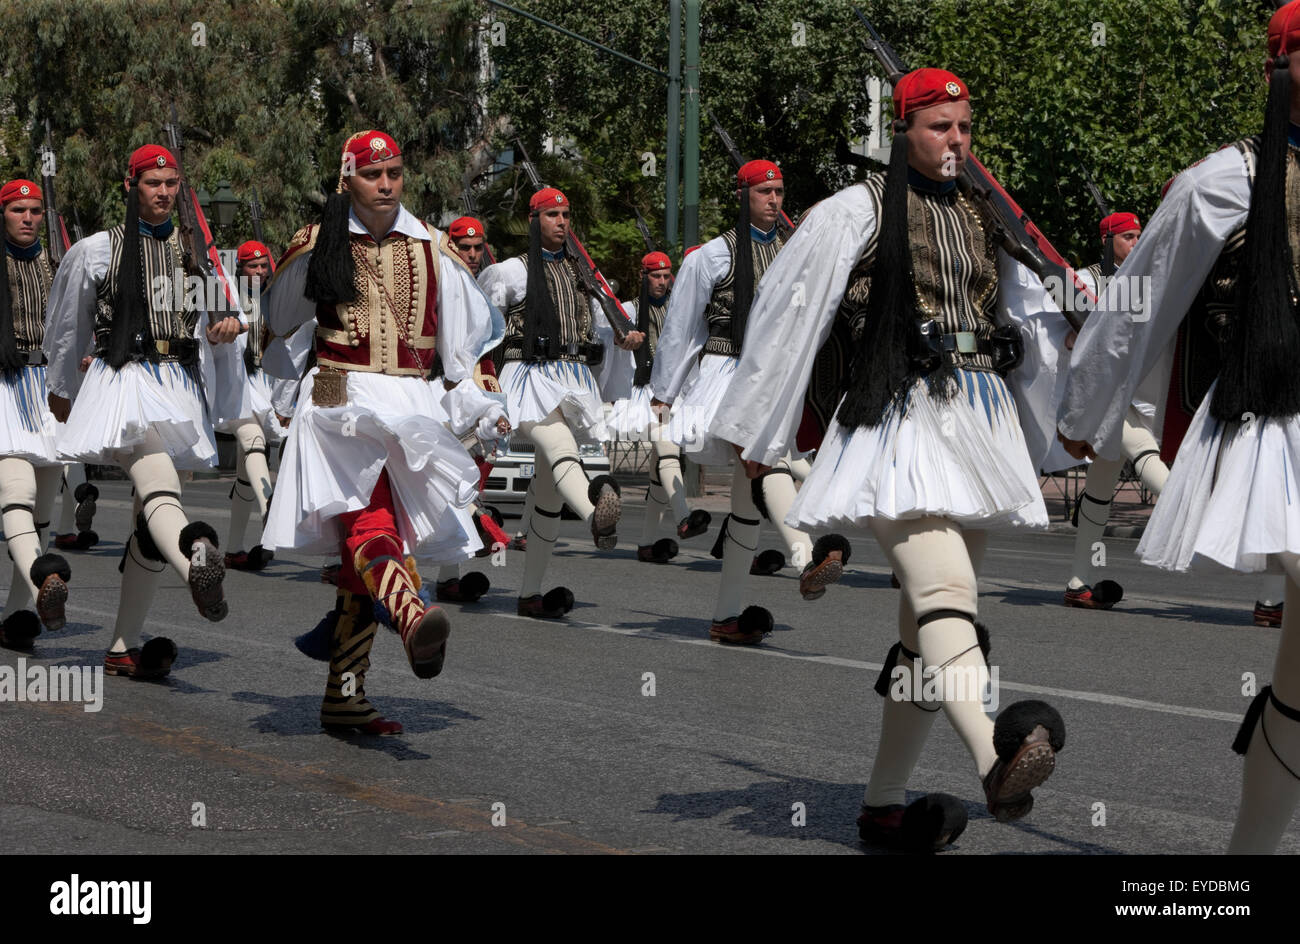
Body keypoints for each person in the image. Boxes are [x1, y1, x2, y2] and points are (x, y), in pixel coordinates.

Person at [710, 69, 1069, 849]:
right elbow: (788, 316)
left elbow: (1027, 320)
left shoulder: (981, 213)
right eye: (941, 127)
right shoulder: (856, 210)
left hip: (977, 417)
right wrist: (757, 430)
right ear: (902, 129)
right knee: (949, 591)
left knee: (923, 627)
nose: (957, 141)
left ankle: (882, 802)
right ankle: (993, 759)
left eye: (965, 127)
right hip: (895, 417)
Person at [1058, 1, 1300, 853]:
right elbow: (1136, 305)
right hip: (1278, 428)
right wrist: (1086, 408)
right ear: (1280, 65)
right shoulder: (1220, 182)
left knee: (1299, 683)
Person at [262, 131, 508, 734]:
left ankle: (344, 695)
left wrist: (480, 404)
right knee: (368, 517)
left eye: (395, 172)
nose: (387, 183)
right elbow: (279, 320)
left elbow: (461, 347)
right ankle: (412, 616)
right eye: (373, 174)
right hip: (337, 392)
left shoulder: (435, 248)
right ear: (348, 179)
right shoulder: (317, 241)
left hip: (409, 396)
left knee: (378, 538)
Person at [44, 145, 244, 679]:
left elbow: (225, 316)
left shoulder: (197, 251)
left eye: (171, 183)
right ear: (132, 185)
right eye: (153, 182)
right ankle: (194, 564)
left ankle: (120, 646)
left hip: (178, 383)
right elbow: (69, 326)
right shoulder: (96, 250)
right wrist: (60, 386)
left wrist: (229, 325)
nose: (163, 192)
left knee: (145, 521)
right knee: (161, 485)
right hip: (125, 380)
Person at [651, 160, 847, 645]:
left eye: (780, 191)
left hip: (779, 377)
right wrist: (664, 393)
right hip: (729, 372)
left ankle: (727, 616)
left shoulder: (794, 250)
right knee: (766, 459)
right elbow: (681, 328)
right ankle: (805, 556)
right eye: (765, 192)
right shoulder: (711, 257)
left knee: (746, 502)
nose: (774, 200)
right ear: (744, 196)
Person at [477, 187, 643, 619]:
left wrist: (624, 337)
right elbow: (480, 334)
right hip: (525, 377)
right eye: (552, 214)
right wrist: (482, 392)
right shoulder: (509, 273)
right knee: (558, 446)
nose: (561, 221)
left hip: (571, 378)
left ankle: (530, 594)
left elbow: (599, 332)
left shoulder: (582, 274)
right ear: (535, 220)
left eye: (566, 214)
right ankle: (594, 515)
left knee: (549, 489)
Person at [1063, 212, 1171, 608]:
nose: (1137, 242)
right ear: (1108, 241)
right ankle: (1191, 519)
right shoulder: (1087, 280)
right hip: (1103, 396)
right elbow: (1072, 335)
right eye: (1128, 236)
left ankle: (1078, 582)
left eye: (1139, 235)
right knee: (1144, 454)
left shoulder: (1149, 280)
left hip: (1139, 392)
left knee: (1101, 485)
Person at [0, 178, 73, 649]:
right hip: (4, 384)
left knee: (44, 505)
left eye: (35, 211)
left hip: (46, 385)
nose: (28, 218)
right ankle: (42, 576)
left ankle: (14, 615)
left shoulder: (58, 264)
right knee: (18, 489)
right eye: (18, 210)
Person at [606, 249, 710, 563]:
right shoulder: (626, 310)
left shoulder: (682, 308)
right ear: (644, 276)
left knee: (658, 473)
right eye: (656, 276)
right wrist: (623, 339)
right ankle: (683, 518)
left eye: (666, 276)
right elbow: (609, 339)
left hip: (674, 391)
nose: (662, 282)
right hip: (645, 392)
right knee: (667, 450)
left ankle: (647, 544)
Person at [219, 239, 281, 571]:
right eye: (251, 266)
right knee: (253, 440)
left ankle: (233, 549)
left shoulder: (272, 299)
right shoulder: (225, 296)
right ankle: (269, 505)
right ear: (239, 268)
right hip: (234, 381)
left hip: (261, 383)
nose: (258, 272)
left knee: (247, 468)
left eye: (262, 266)